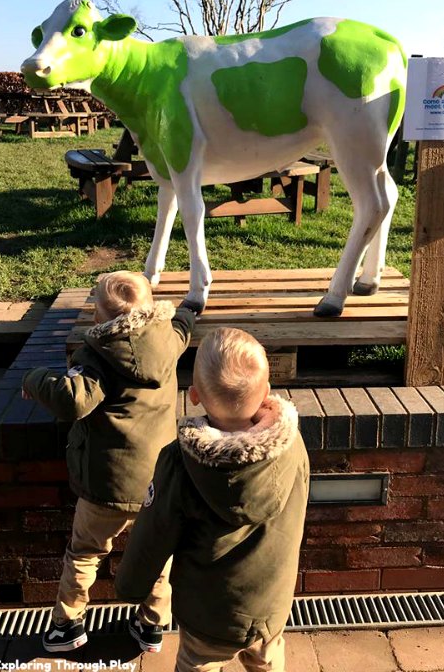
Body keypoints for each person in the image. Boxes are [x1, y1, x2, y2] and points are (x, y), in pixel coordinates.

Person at [115, 326, 310, 672]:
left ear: (193, 395)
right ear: (266, 392)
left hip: (208, 612)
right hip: (270, 603)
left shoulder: (180, 462)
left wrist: (131, 586)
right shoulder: (291, 445)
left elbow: (153, 532)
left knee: (197, 663)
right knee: (267, 659)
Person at [21, 271, 196, 654]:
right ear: (150, 307)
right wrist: (191, 305)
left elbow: (74, 401)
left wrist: (34, 379)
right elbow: (184, 323)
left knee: (85, 551)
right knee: (156, 552)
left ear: (100, 319)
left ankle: (67, 624)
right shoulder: (168, 340)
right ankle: (152, 625)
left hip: (108, 484)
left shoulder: (98, 353)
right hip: (157, 481)